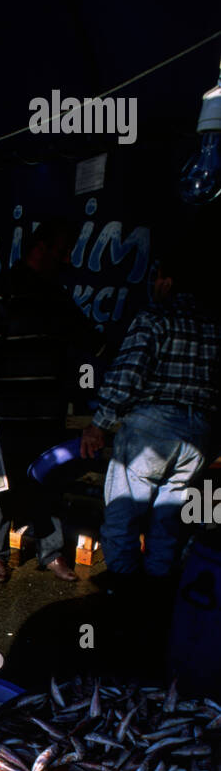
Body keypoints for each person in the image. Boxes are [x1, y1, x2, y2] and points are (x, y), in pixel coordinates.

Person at [0, 217, 102, 583]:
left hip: (47, 412)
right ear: (40, 248)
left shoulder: (56, 295)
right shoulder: (0, 289)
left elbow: (84, 340)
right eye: (61, 250)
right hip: (4, 413)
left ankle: (51, 553)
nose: (66, 258)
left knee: (49, 484)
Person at [80, 243, 221, 583]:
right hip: (198, 434)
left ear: (168, 282)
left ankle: (122, 587)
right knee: (167, 517)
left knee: (123, 512)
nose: (154, 285)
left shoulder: (155, 317)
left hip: (153, 430)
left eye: (157, 278)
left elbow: (127, 376)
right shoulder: (215, 325)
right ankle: (157, 590)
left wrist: (99, 425)